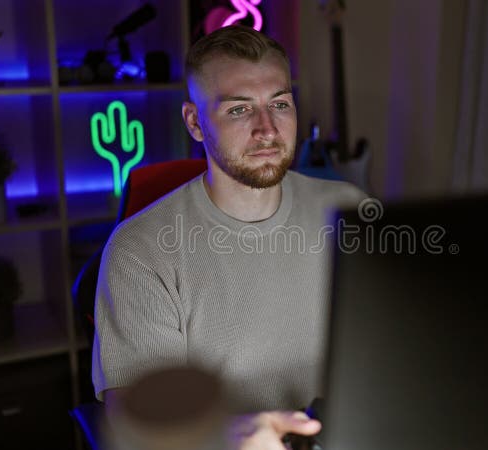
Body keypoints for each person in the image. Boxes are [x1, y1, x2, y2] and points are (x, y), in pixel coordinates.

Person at [92, 25, 366, 448]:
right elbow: (144, 430)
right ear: (195, 123)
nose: (267, 129)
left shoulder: (351, 208)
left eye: (280, 104)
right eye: (239, 110)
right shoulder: (139, 250)